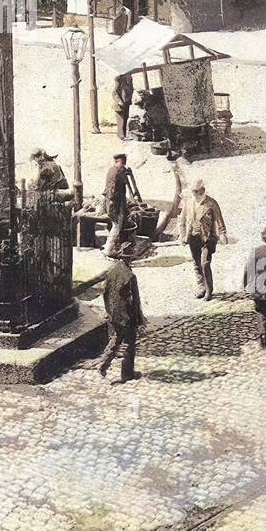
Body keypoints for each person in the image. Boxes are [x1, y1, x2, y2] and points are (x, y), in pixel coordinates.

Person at [99, 251, 145, 384]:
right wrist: (139, 318)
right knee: (130, 344)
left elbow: (105, 292)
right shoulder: (130, 276)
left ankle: (102, 365)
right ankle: (127, 373)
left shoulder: (112, 271)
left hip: (114, 314)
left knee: (116, 339)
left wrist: (109, 311)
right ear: (129, 259)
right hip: (127, 315)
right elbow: (135, 302)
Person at [179, 178, 228, 299]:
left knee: (204, 263)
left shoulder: (211, 203)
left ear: (202, 190)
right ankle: (201, 287)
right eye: (193, 191)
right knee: (196, 264)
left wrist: (222, 234)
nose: (194, 194)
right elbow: (182, 220)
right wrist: (183, 235)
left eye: (196, 191)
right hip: (193, 237)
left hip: (208, 238)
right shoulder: (188, 202)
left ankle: (209, 291)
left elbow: (219, 220)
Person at [104, 152, 129, 256]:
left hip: (113, 201)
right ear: (118, 161)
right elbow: (112, 189)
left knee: (115, 225)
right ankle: (109, 249)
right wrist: (112, 201)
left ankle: (109, 247)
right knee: (116, 225)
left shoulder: (113, 170)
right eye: (122, 162)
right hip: (114, 202)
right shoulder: (117, 172)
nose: (124, 164)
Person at [112, 74, 134, 140]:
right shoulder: (118, 79)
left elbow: (131, 90)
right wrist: (119, 101)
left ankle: (124, 135)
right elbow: (114, 93)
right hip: (120, 104)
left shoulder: (129, 79)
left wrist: (129, 99)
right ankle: (121, 135)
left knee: (126, 119)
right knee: (121, 119)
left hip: (127, 102)